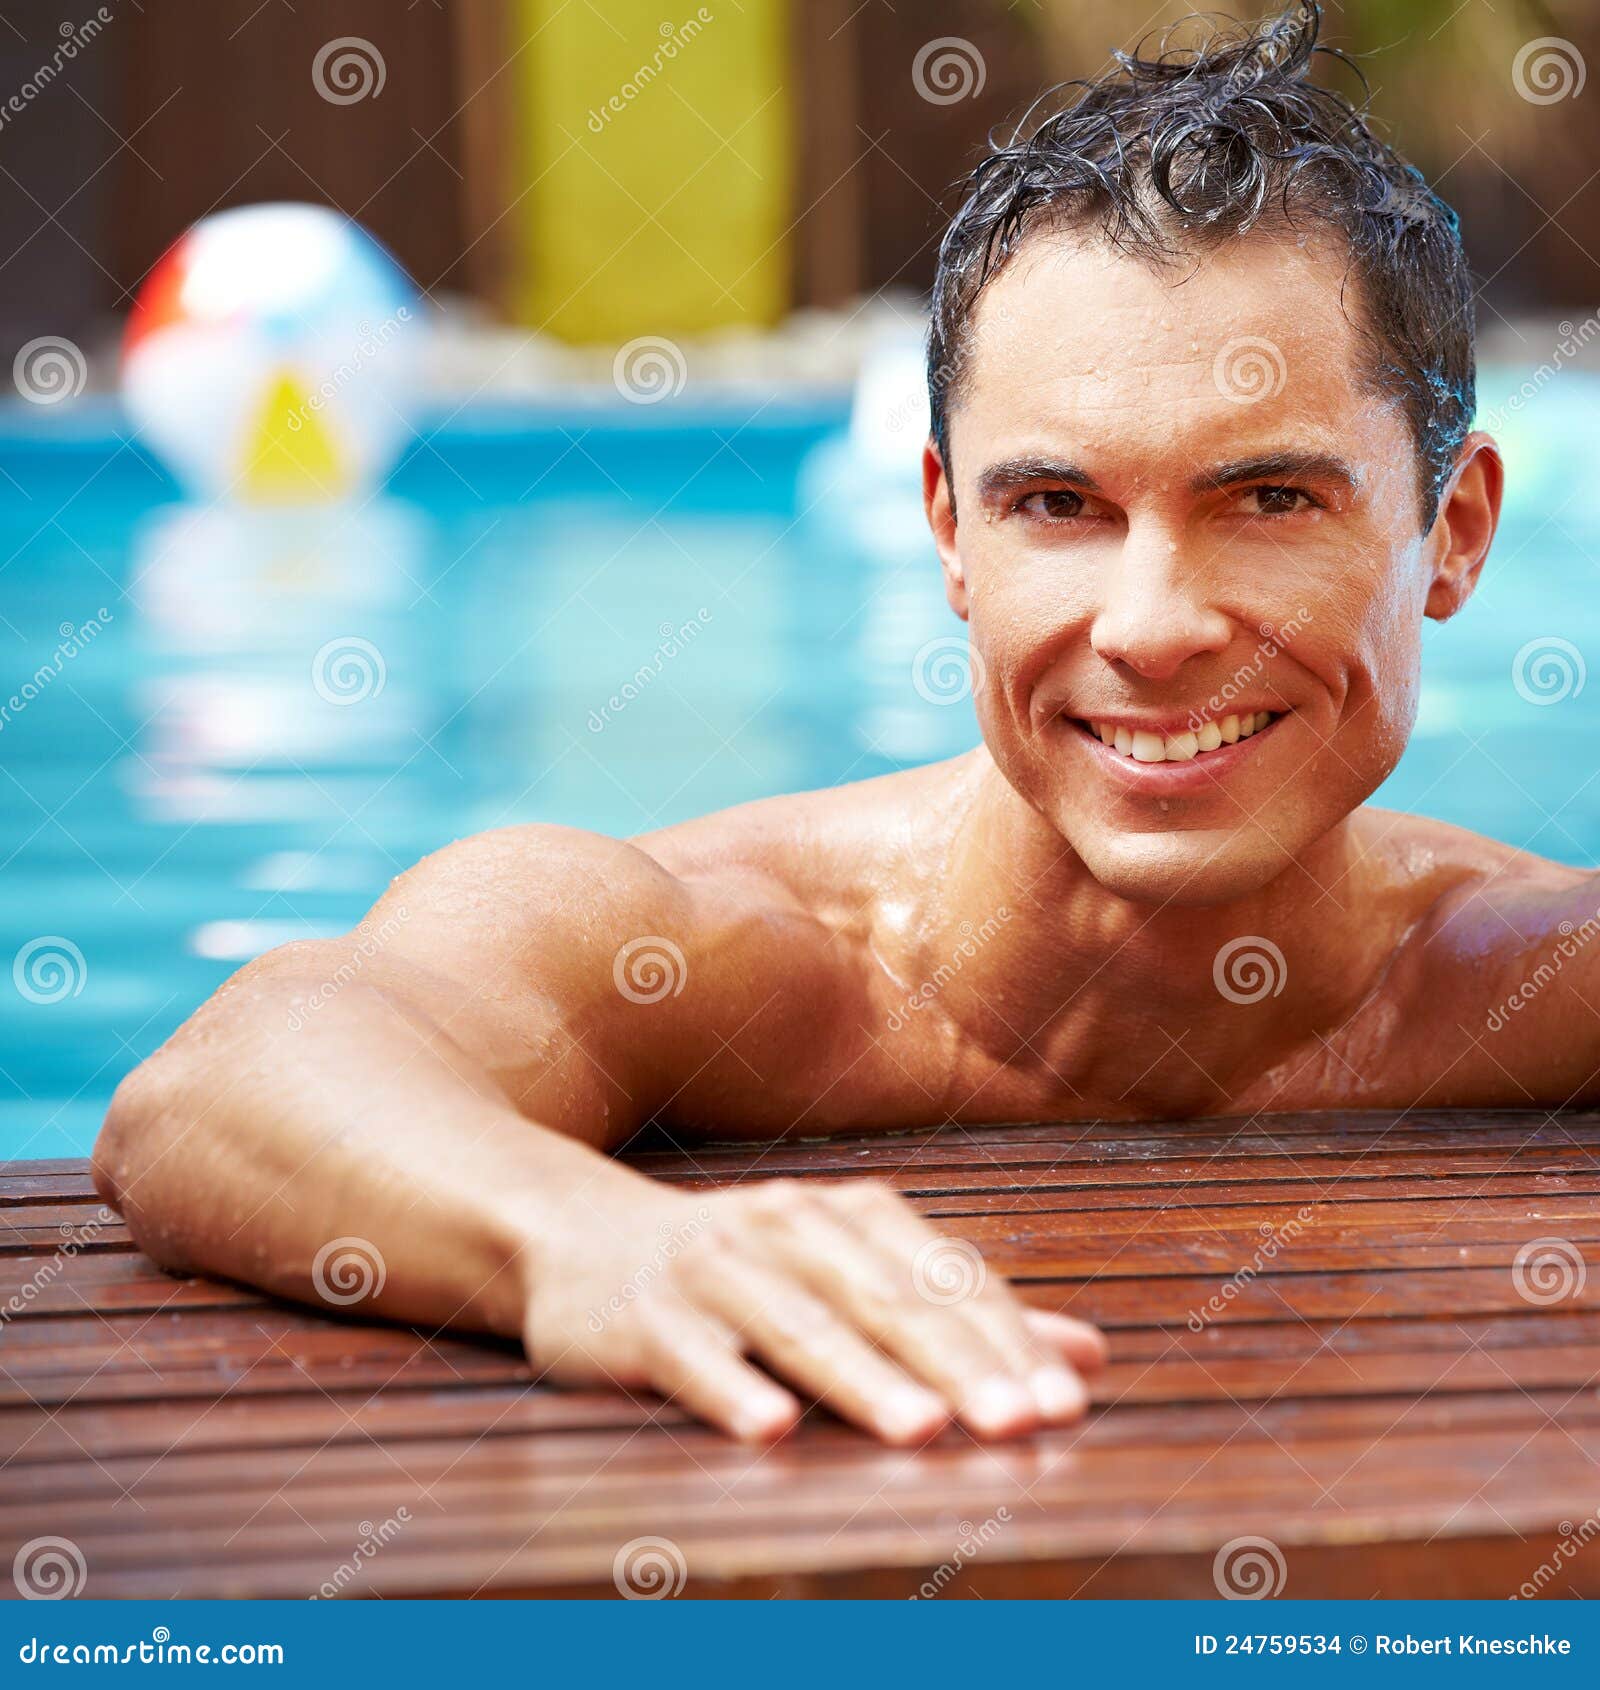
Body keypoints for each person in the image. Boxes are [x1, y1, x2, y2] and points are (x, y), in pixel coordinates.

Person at [93, 0, 1595, 1449]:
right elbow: (220, 1081)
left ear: (1452, 533)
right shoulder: (740, 951)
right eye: (1057, 505)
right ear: (950, 536)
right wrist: (588, 1240)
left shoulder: (1516, 976)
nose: (1149, 625)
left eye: (1269, 498)